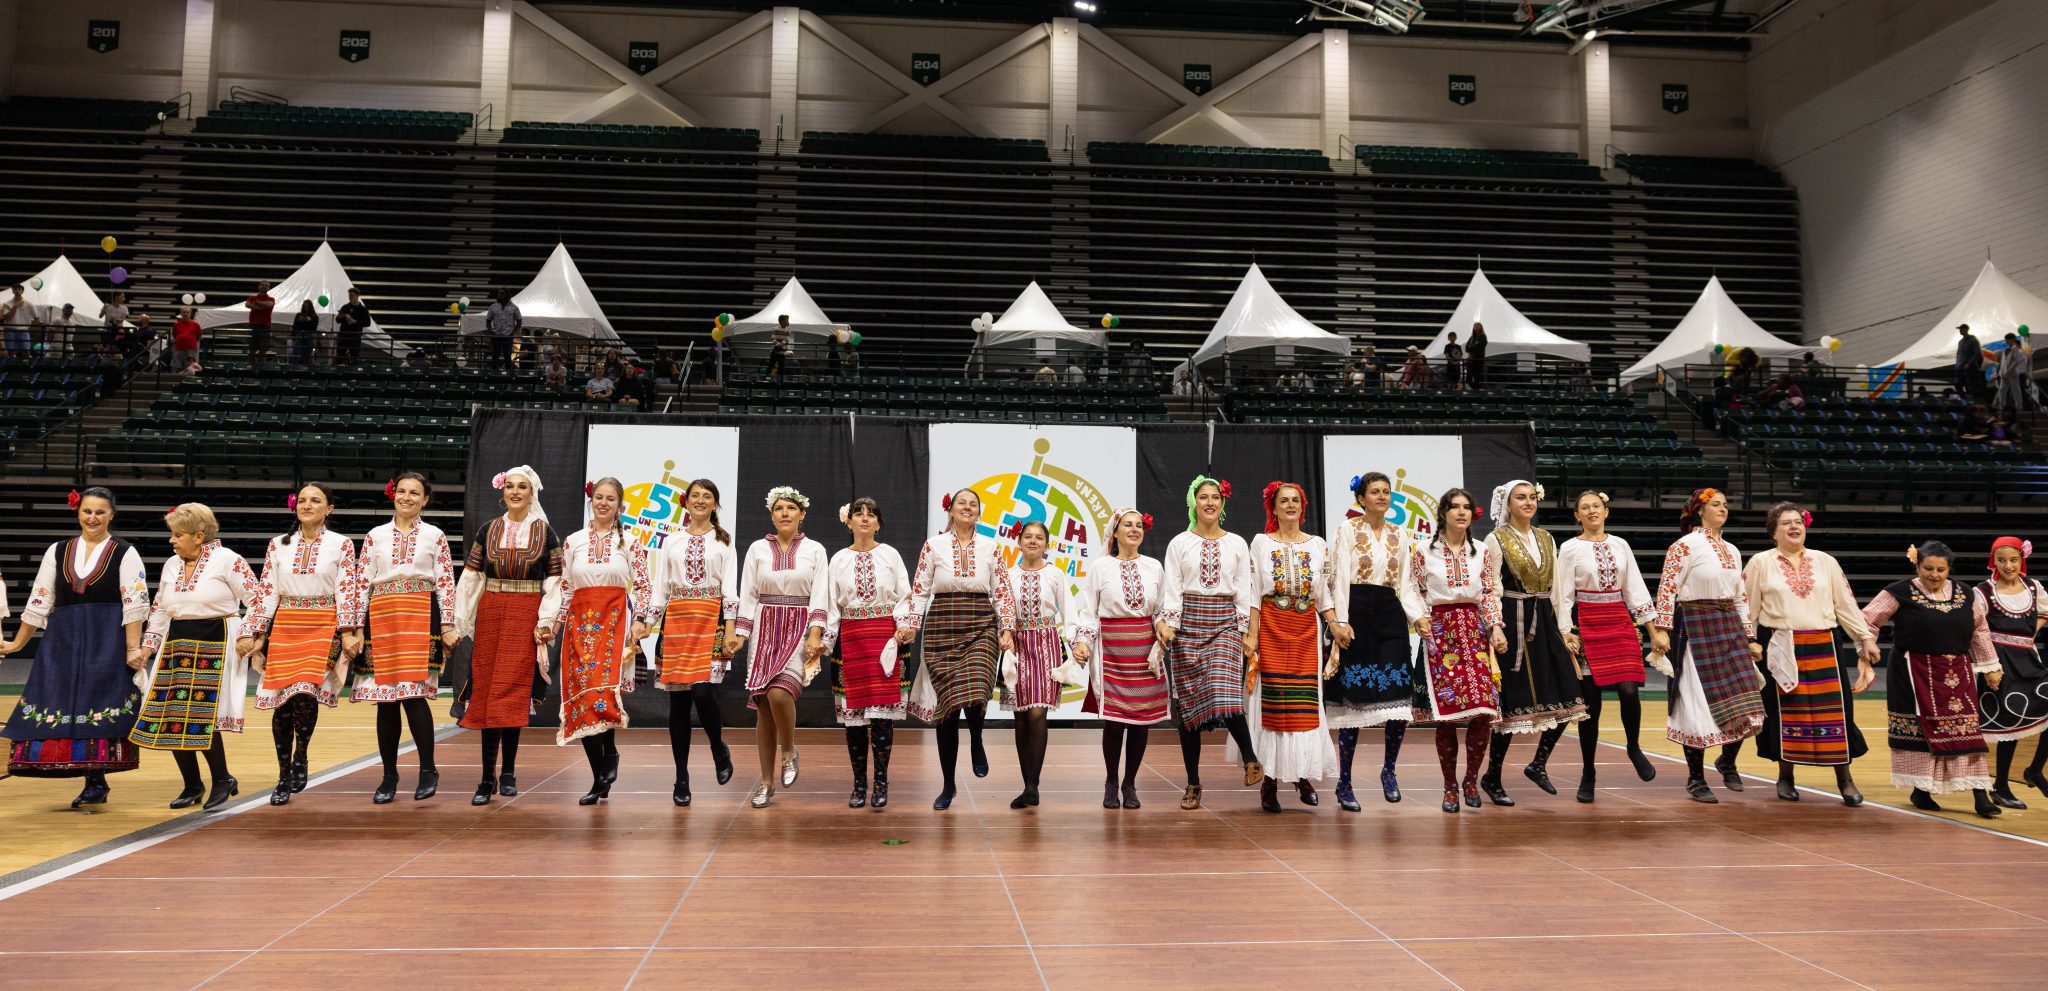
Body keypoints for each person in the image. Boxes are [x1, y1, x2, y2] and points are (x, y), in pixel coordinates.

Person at [0, 487, 150, 809]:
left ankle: (95, 779)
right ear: (77, 513)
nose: (92, 518)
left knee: (99, 700)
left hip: (107, 638)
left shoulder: (125, 552)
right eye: (87, 511)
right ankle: (87, 777)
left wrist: (132, 649)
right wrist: (17, 643)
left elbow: (134, 605)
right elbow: (40, 600)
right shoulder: (57, 551)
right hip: (64, 639)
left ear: (112, 514)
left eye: (99, 512)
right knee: (60, 700)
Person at [1733, 503, 1879, 806]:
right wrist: (1749, 640)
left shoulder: (1825, 561)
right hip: (1781, 645)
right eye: (1785, 523)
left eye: (1798, 521)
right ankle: (1786, 777)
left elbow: (1846, 606)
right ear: (1773, 531)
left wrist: (1865, 639)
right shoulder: (1760, 563)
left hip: (1824, 644)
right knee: (1787, 713)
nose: (1793, 526)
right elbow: (1746, 607)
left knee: (1836, 713)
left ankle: (1845, 780)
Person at [131, 503, 261, 811]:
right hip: (177, 643)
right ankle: (192, 784)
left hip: (216, 638)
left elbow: (258, 599)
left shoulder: (229, 560)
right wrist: (147, 647)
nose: (172, 540)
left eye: (178, 535)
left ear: (199, 535)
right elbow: (161, 609)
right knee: (173, 715)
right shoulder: (171, 565)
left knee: (205, 716)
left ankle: (222, 780)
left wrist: (247, 633)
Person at [241, 483, 362, 807]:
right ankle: (283, 775)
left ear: (330, 508)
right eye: (303, 500)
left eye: (316, 501)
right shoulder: (278, 545)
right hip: (287, 624)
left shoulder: (341, 545)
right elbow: (268, 591)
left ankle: (302, 755)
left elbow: (347, 589)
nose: (308, 505)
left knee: (305, 694)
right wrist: (257, 632)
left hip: (323, 624)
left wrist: (348, 630)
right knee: (282, 703)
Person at [1862, 542, 2001, 818]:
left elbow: (1980, 631)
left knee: (1966, 731)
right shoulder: (1899, 592)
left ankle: (1980, 794)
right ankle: (1921, 790)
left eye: (1941, 569)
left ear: (1949, 568)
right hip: (1913, 672)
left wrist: (1990, 666)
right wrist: (1868, 643)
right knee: (1921, 732)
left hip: (1957, 672)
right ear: (1917, 565)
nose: (1934, 574)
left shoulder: (1965, 593)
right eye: (1928, 568)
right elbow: (1866, 619)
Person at [454, 465, 563, 805]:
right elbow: (471, 578)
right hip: (491, 611)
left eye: (523, 487)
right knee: (487, 691)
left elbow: (556, 583)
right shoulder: (488, 530)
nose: (516, 492)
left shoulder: (545, 534)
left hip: (525, 613)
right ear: (502, 492)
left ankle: (510, 773)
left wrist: (546, 620)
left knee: (514, 692)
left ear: (532, 494)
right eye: (511, 487)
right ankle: (487, 777)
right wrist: (461, 620)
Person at [1649, 487, 1766, 803]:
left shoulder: (1732, 548)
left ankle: (1727, 760)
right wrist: (1661, 630)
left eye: (1726, 504)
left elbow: (1740, 596)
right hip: (1696, 625)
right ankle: (1696, 778)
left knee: (1747, 700)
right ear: (1700, 510)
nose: (1723, 508)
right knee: (1696, 701)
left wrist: (1750, 636)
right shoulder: (1684, 546)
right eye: (1716, 504)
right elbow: (1667, 590)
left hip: (1729, 627)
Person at [902, 488, 1015, 810]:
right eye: (961, 503)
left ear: (979, 512)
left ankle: (977, 740)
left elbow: (1003, 591)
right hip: (941, 625)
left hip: (981, 623)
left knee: (979, 686)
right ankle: (948, 784)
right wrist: (912, 622)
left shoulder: (990, 546)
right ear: (950, 510)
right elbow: (921, 589)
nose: (967, 507)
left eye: (973, 504)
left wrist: (1007, 628)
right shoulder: (933, 545)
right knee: (947, 709)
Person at [1399, 488, 1507, 814]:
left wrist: (1496, 626)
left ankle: (1471, 779)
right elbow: (1412, 589)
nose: (1461, 512)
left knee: (1484, 710)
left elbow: (1488, 592)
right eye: (1454, 507)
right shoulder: (1423, 551)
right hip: (1441, 632)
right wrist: (1419, 618)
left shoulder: (1482, 551)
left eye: (1466, 508)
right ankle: (1449, 787)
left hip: (1474, 630)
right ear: (1442, 513)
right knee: (1446, 716)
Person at [1479, 480, 1586, 806]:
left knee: (1570, 695)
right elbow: (1490, 587)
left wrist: (1565, 628)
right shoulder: (1494, 540)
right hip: (1513, 620)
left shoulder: (1546, 538)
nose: (1527, 502)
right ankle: (1492, 777)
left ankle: (1538, 763)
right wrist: (1495, 626)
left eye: (1531, 497)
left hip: (1545, 619)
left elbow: (1556, 589)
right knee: (1512, 704)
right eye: (1520, 498)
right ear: (1507, 504)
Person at [355, 472, 457, 805]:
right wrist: (354, 628)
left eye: (415, 493)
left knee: (414, 697)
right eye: (402, 491)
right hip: (382, 615)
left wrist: (447, 624)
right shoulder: (375, 535)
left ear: (425, 499)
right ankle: (389, 775)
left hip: (420, 613)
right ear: (393, 495)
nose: (407, 497)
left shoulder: (435, 535)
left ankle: (428, 769)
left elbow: (445, 583)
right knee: (386, 700)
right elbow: (361, 583)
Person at [1159, 476, 1260, 810]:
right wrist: (1170, 625)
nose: (1209, 503)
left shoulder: (1237, 544)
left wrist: (1247, 630)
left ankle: (1250, 759)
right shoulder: (1179, 543)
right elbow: (1172, 587)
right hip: (1187, 625)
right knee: (1187, 709)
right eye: (1203, 497)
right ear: (1193, 503)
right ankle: (1192, 783)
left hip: (1224, 624)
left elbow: (1244, 589)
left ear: (1222, 503)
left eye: (1215, 497)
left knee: (1224, 688)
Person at [552, 478, 654, 806]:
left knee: (601, 690)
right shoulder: (574, 542)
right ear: (591, 501)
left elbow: (645, 586)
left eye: (611, 499)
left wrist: (640, 621)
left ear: (620, 505)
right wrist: (552, 625)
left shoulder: (631, 542)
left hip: (613, 622)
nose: (604, 503)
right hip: (579, 625)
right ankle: (600, 776)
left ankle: (609, 755)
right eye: (599, 497)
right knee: (582, 698)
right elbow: (565, 588)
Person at [1552, 491, 1659, 803]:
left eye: (1596, 506)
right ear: (1577, 515)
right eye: (1584, 507)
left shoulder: (1620, 544)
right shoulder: (1570, 548)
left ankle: (1634, 747)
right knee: (1591, 706)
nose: (1591, 511)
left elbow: (1635, 588)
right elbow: (1564, 595)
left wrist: (1652, 631)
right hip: (1587, 621)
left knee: (1628, 689)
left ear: (1606, 511)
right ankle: (1588, 772)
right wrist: (1564, 631)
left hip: (1619, 619)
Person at [1239, 482, 1338, 813]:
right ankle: (1269, 781)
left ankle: (1301, 775)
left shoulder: (1317, 544)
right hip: (1270, 626)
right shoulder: (1261, 543)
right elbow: (1252, 593)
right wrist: (1251, 635)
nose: (1290, 505)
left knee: (1305, 704)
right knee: (1272, 703)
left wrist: (1336, 626)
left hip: (1305, 630)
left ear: (1302, 506)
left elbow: (1324, 594)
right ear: (1274, 508)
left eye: (1296, 500)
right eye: (1284, 501)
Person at [730, 486, 830, 808]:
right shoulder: (758, 549)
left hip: (800, 627)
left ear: (802, 513)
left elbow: (820, 594)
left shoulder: (814, 550)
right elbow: (747, 593)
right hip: (765, 628)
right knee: (763, 709)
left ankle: (789, 751)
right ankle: (766, 781)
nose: (784, 513)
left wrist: (816, 632)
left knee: (779, 693)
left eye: (791, 508)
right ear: (771, 515)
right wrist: (741, 633)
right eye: (778, 508)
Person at [1325, 472, 1416, 810]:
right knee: (1355, 701)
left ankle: (1389, 771)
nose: (1381, 496)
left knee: (1398, 698)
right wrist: (1342, 622)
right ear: (1361, 499)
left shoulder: (1399, 533)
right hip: (1357, 613)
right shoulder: (1347, 530)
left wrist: (1418, 616)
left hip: (1390, 614)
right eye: (1374, 491)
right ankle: (1344, 782)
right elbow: (1339, 577)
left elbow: (1405, 582)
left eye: (1386, 492)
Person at [1069, 508, 1167, 810]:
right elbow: (1089, 609)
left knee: (1141, 722)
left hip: (1144, 648)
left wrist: (1163, 626)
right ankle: (1111, 781)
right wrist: (1083, 642)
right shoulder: (1101, 567)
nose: (1135, 530)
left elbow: (1162, 607)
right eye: (1128, 525)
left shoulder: (1154, 567)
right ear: (1115, 531)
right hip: (1111, 649)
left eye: (1139, 525)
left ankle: (1130, 783)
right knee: (1114, 721)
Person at [650, 479, 739, 806]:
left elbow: (729, 588)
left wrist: (730, 628)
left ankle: (718, 746)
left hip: (710, 617)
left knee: (703, 690)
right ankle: (681, 778)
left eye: (708, 496)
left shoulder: (723, 541)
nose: (701, 501)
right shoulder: (672, 540)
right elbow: (661, 587)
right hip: (676, 620)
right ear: (685, 503)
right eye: (695, 496)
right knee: (679, 704)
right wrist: (646, 621)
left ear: (715, 503)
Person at [822, 497, 909, 809]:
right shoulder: (838, 560)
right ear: (849, 522)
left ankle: (881, 782)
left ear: (878, 523)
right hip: (851, 639)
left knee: (882, 720)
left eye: (871, 515)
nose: (864, 519)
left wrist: (904, 626)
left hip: (884, 638)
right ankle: (859, 783)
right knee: (854, 720)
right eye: (858, 514)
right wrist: (826, 640)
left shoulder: (890, 555)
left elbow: (905, 595)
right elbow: (831, 604)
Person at [1975, 537, 2048, 809]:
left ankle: (2035, 770)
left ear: (2022, 560)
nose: (2008, 565)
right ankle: (2001, 785)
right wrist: (1990, 666)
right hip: (1998, 662)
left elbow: (2045, 612)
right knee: (2010, 720)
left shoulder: (2033, 586)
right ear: (1994, 561)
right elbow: (1976, 630)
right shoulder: (1983, 591)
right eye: (2002, 560)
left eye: (2013, 560)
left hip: (2029, 658)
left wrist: (2032, 631)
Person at [1003, 519, 1070, 809]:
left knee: (1037, 714)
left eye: (1039, 537)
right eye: (1027, 536)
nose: (1032, 541)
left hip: (1046, 643)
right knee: (1020, 716)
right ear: (1018, 542)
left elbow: (1069, 610)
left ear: (1047, 544)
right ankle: (1026, 782)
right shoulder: (1008, 575)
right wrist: (1002, 634)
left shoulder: (1055, 575)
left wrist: (1078, 642)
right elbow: (1001, 611)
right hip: (1017, 645)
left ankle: (1033, 785)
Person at [483, 288, 521, 372]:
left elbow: (519, 321)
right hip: (496, 336)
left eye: (502, 293)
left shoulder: (514, 307)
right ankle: (494, 374)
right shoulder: (493, 307)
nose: (500, 295)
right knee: (494, 356)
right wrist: (490, 331)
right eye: (499, 293)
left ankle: (508, 375)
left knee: (507, 356)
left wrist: (512, 331)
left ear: (507, 295)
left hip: (508, 336)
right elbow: (488, 320)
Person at [1996, 333, 2032, 414]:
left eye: (2007, 339)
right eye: (2006, 339)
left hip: (2013, 373)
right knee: (2002, 390)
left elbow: (2015, 362)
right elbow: (2003, 363)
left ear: (2012, 340)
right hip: (2004, 374)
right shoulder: (2005, 350)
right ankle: (2002, 407)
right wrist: (2001, 372)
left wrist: (2008, 371)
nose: (2006, 341)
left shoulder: (2017, 350)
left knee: (2016, 391)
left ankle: (2019, 407)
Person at [335, 288, 369, 366]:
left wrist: (355, 321)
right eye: (349, 295)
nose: (350, 297)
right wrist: (339, 316)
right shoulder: (345, 307)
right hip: (343, 335)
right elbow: (337, 321)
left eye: (352, 295)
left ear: (357, 296)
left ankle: (353, 374)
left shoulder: (363, 309)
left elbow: (367, 323)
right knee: (340, 355)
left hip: (355, 336)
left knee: (354, 356)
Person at [246, 281, 276, 361]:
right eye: (262, 285)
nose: (264, 286)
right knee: (252, 348)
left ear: (268, 288)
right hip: (253, 325)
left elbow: (270, 304)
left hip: (265, 326)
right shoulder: (252, 297)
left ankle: (261, 366)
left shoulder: (271, 299)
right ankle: (252, 366)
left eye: (266, 285)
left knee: (263, 349)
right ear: (258, 287)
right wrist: (261, 306)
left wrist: (257, 303)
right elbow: (247, 304)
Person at [1956, 323, 1984, 401]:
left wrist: (1969, 364)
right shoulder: (1960, 342)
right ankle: (1966, 400)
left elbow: (1977, 353)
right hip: (1961, 367)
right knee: (1958, 384)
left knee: (1971, 385)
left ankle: (1974, 400)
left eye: (1962, 329)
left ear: (1966, 329)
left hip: (1971, 367)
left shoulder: (1973, 340)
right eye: (1960, 329)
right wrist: (1957, 365)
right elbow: (1959, 355)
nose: (1960, 331)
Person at [170, 306, 203, 372]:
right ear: (181, 313)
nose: (186, 314)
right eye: (184, 312)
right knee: (178, 365)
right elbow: (174, 335)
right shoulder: (176, 324)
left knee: (191, 365)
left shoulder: (195, 324)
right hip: (179, 348)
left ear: (190, 313)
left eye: (188, 312)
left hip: (191, 348)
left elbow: (199, 336)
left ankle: (189, 379)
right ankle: (178, 379)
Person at [2, 284, 31, 357]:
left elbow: (37, 318)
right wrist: (15, 306)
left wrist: (28, 326)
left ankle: (28, 367)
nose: (17, 290)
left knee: (26, 351)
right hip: (9, 329)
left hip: (23, 330)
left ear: (22, 291)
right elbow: (8, 318)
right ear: (12, 291)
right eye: (15, 289)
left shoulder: (29, 304)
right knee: (10, 352)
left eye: (19, 289)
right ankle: (10, 367)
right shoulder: (6, 304)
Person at [289, 300, 320, 366]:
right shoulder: (298, 315)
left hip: (309, 335)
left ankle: (306, 368)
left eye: (307, 307)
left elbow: (314, 328)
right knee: (296, 352)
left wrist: (310, 320)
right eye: (305, 307)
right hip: (299, 335)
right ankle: (292, 367)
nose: (306, 308)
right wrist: (300, 320)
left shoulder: (314, 316)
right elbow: (295, 326)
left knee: (307, 354)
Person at [766, 314, 794, 380]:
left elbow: (788, 339)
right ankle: (765, 378)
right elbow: (773, 339)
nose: (788, 322)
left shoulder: (788, 330)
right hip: (775, 351)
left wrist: (783, 342)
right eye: (786, 320)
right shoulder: (776, 329)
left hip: (782, 352)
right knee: (771, 366)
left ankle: (780, 381)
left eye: (788, 320)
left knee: (781, 368)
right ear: (781, 321)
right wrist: (779, 344)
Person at [1465, 322, 1489, 390]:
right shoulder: (1472, 337)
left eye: (1478, 325)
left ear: (1481, 327)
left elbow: (1479, 348)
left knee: (1477, 378)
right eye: (1475, 325)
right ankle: (1471, 391)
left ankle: (1476, 392)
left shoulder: (1483, 336)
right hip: (1471, 361)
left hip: (1478, 360)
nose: (1476, 326)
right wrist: (1475, 345)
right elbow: (1467, 349)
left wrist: (1472, 346)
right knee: (1468, 378)